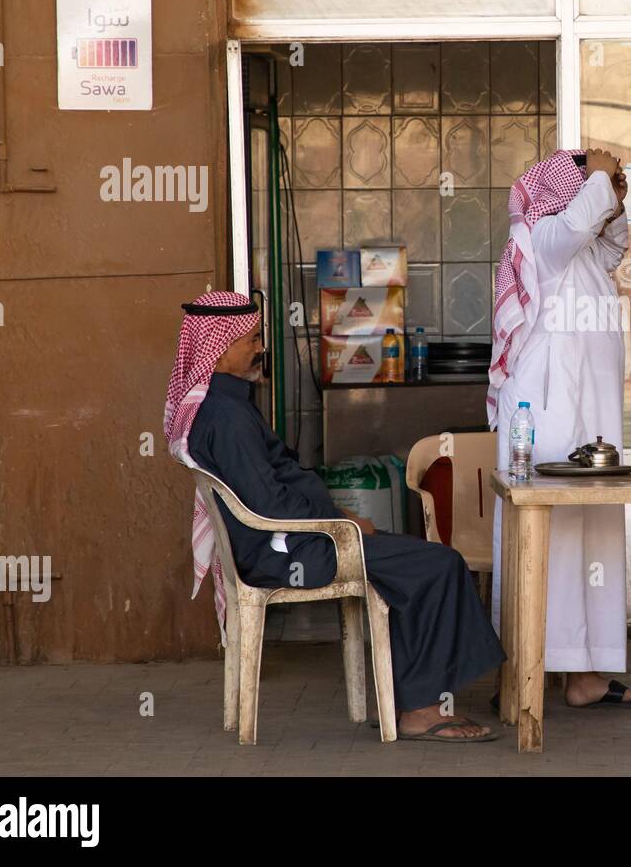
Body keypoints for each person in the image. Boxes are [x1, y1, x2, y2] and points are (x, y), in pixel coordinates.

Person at [165, 291, 505, 742]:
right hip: (291, 550)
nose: (260, 347)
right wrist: (340, 524)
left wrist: (336, 514)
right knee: (438, 565)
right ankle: (422, 710)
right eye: (251, 339)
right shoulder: (224, 415)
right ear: (221, 347)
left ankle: (413, 699)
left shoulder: (225, 405)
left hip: (297, 538)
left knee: (419, 562)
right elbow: (271, 505)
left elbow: (273, 491)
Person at [488, 148, 631, 709]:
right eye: (583, 186)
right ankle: (527, 672)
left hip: (590, 415)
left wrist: (614, 195)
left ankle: (586, 673)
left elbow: (612, 241)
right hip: (546, 416)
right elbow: (579, 222)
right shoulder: (543, 241)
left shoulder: (580, 246)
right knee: (549, 536)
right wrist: (601, 175)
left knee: (594, 532)